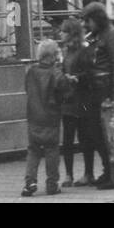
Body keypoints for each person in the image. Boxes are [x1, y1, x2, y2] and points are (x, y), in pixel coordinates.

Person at [80, 2, 114, 190]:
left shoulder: (113, 34)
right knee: (96, 132)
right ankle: (108, 170)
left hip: (106, 90)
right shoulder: (99, 35)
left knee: (108, 134)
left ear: (97, 18)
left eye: (88, 20)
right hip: (97, 89)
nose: (86, 25)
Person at [22, 39, 72, 196]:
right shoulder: (56, 73)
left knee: (33, 150)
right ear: (52, 56)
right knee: (52, 150)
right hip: (51, 117)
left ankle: (30, 182)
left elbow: (27, 90)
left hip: (33, 116)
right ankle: (52, 184)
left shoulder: (31, 71)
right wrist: (69, 79)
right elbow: (65, 92)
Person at [58, 18, 91, 186]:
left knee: (84, 137)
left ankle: (87, 173)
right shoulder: (66, 51)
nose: (60, 34)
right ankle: (69, 174)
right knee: (68, 139)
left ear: (71, 33)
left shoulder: (83, 50)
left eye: (63, 31)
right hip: (69, 99)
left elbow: (89, 72)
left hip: (80, 98)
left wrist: (77, 78)